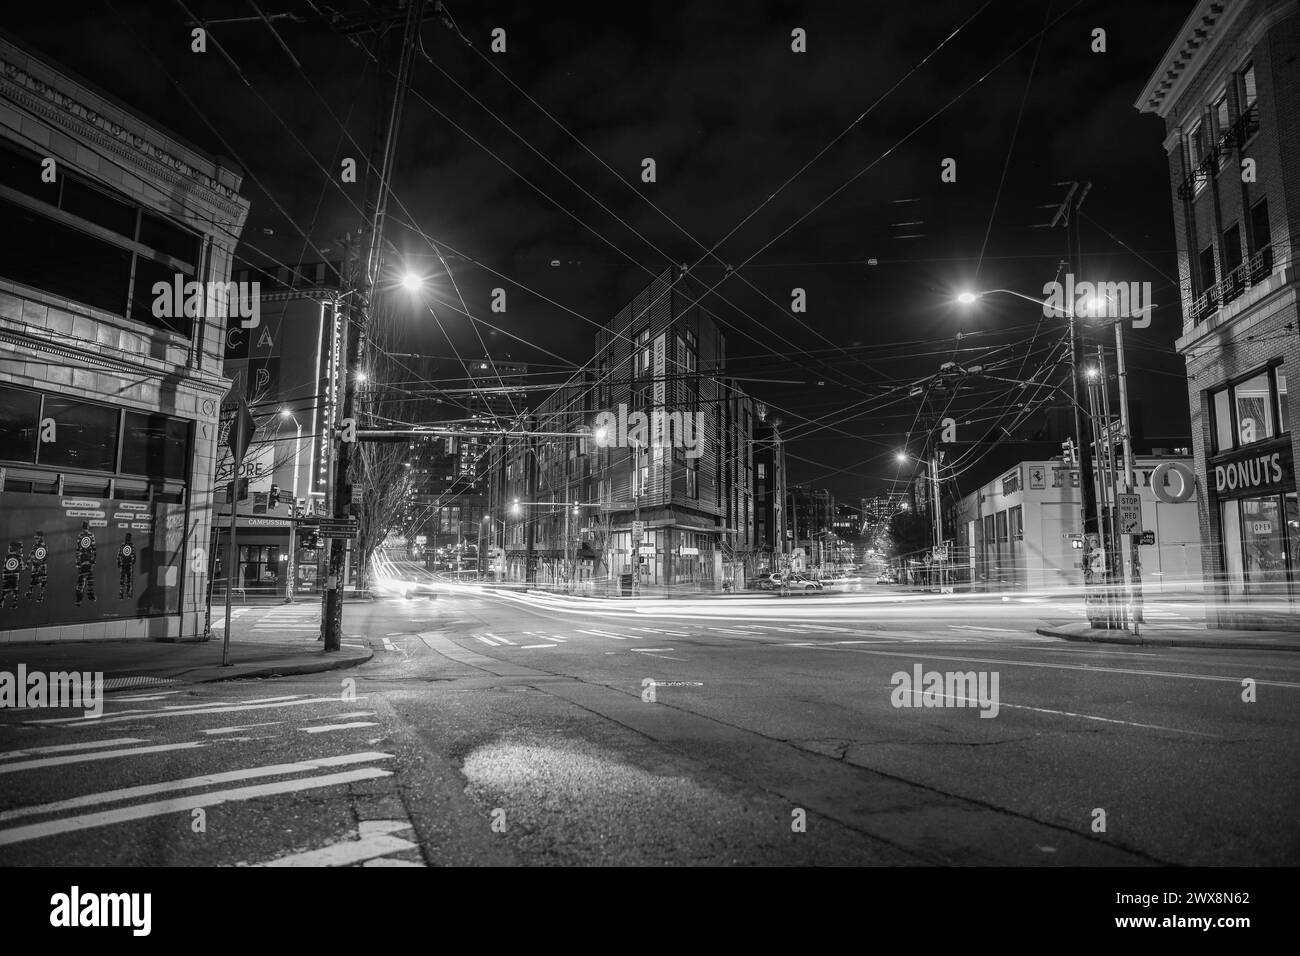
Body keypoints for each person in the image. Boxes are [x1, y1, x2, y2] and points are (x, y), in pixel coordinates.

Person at [74, 521, 97, 606]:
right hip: (87, 559)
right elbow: (93, 548)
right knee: (87, 578)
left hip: (84, 559)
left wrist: (77, 561)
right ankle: (84, 597)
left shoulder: (81, 535)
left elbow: (78, 549)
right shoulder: (90, 535)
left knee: (84, 578)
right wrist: (94, 559)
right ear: (88, 527)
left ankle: (80, 599)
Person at [26, 530, 48, 604]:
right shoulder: (43, 545)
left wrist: (28, 564)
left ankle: (36, 595)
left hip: (38, 565)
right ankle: (36, 595)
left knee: (38, 580)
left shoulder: (40, 546)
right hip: (40, 565)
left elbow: (32, 555)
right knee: (38, 580)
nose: (35, 538)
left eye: (37, 537)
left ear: (40, 537)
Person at [2, 541, 24, 609]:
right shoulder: (18, 557)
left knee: (5, 590)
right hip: (14, 576)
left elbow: (5, 567)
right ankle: (14, 604)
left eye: (10, 547)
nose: (9, 548)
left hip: (7, 576)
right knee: (14, 590)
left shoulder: (7, 556)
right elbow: (22, 567)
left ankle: (2, 602)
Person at [118, 532, 137, 599]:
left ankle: (121, 594)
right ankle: (127, 594)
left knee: (122, 580)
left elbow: (119, 554)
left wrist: (119, 562)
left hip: (123, 564)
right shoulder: (131, 545)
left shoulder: (123, 545)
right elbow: (133, 555)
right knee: (128, 580)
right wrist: (133, 561)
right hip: (128, 565)